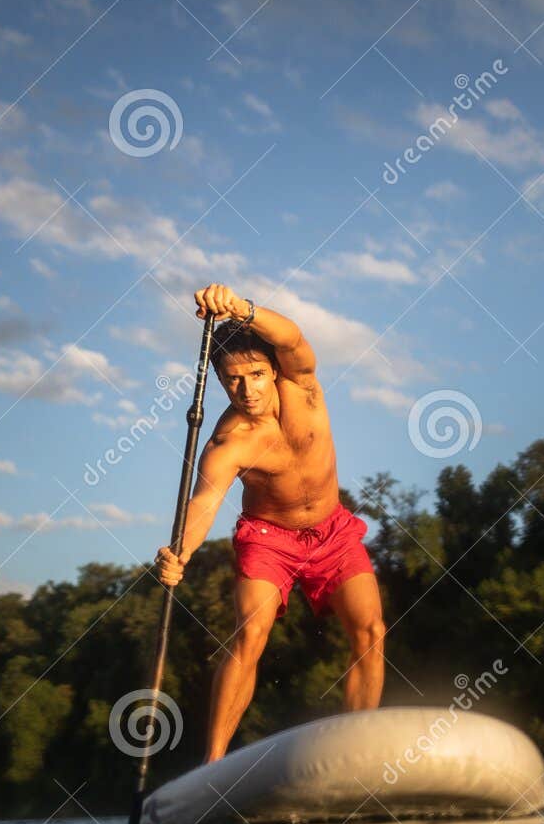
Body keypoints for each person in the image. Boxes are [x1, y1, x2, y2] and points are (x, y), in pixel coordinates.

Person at [154, 283, 386, 762]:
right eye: (232, 379)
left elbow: (294, 337)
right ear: (219, 380)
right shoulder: (229, 441)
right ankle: (213, 766)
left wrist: (239, 307)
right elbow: (205, 502)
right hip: (268, 539)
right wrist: (181, 553)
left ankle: (359, 751)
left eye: (256, 374)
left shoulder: (302, 386)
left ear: (273, 368)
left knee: (371, 630)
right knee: (250, 635)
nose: (247, 389)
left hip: (333, 532)